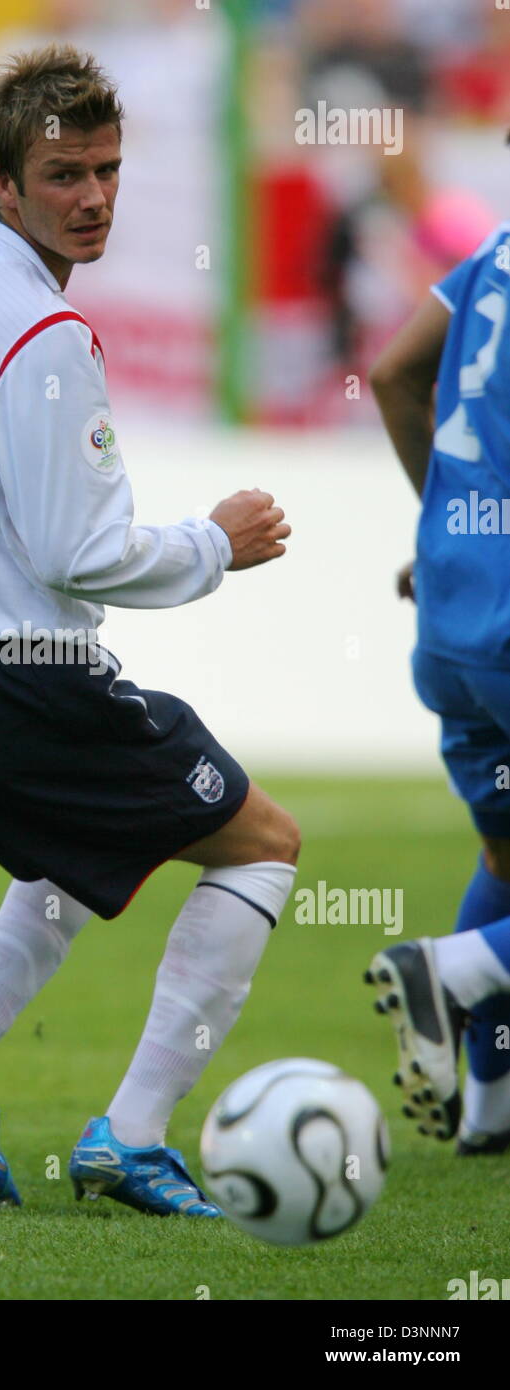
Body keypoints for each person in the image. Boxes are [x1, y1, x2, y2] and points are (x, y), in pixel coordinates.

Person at [0, 44, 298, 1217]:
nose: (92, 198)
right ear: (3, 181)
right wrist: (215, 542)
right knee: (257, 837)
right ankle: (135, 1138)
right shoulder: (46, 339)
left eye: (105, 170)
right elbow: (78, 553)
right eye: (62, 175)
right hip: (4, 677)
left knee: (69, 848)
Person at [367, 203, 510, 1154]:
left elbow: (389, 373)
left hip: (454, 610)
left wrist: (447, 528)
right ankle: (455, 970)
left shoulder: (495, 249)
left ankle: (492, 1113)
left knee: (506, 856)